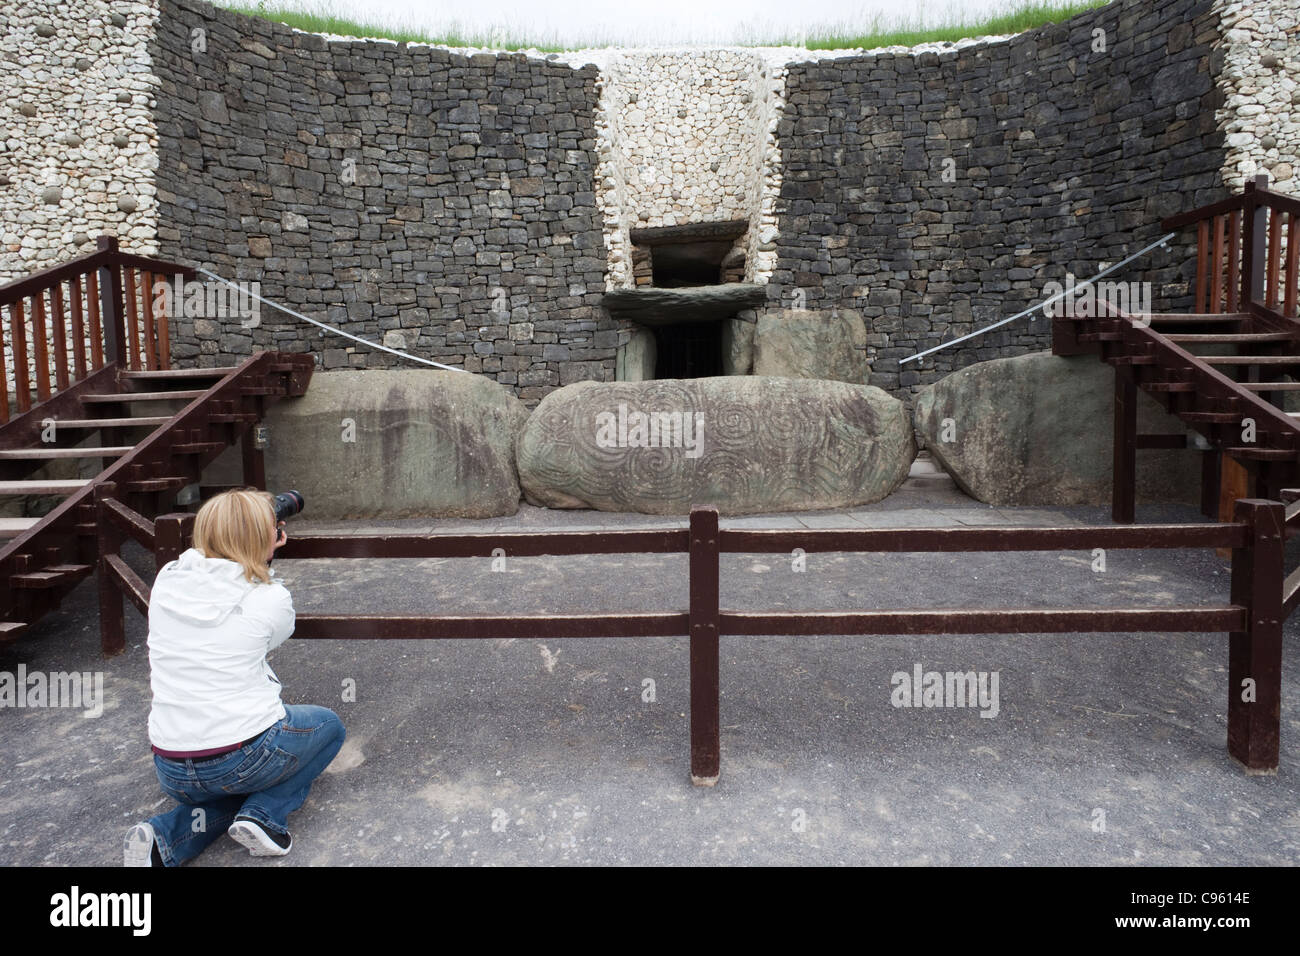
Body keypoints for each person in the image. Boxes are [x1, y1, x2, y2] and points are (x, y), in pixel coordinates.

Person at [124, 488, 345, 866]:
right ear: (268, 536)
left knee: (228, 784)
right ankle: (266, 814)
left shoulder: (167, 579)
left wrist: (251, 536)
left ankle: (166, 838)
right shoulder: (268, 597)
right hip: (245, 757)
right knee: (329, 727)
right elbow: (276, 632)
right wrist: (265, 555)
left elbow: (207, 569)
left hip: (172, 767)